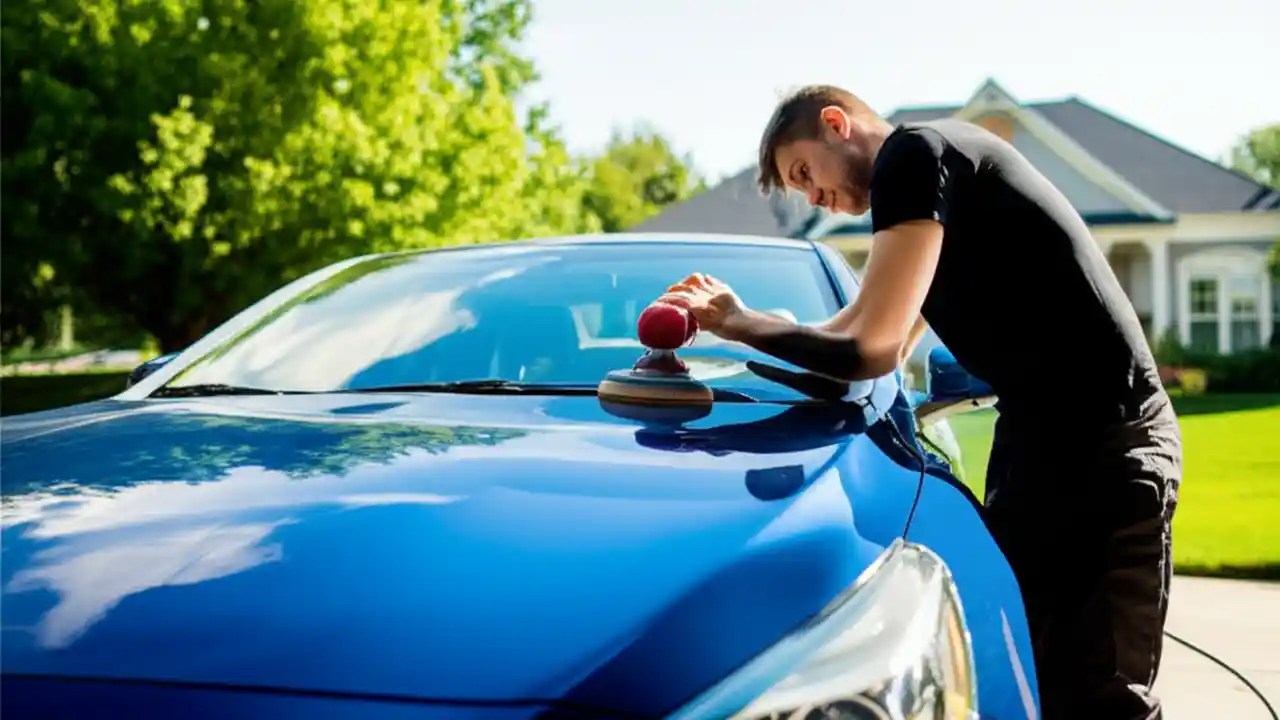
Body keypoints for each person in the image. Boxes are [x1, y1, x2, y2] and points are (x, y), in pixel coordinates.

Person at [659, 84, 1182, 720]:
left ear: (836, 123)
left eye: (805, 173)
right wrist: (735, 337)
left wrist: (738, 321)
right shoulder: (928, 202)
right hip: (1040, 450)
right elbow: (851, 344)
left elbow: (869, 350)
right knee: (1027, 682)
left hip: (1106, 445)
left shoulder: (914, 154)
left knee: (1100, 696)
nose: (815, 198)